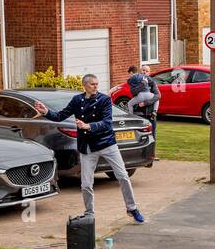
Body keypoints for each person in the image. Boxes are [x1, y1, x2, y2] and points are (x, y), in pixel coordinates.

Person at [33, 74, 143, 223]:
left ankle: (132, 208)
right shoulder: (77, 100)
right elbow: (60, 116)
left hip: (107, 144)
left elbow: (106, 123)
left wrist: (88, 126)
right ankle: (89, 213)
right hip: (88, 148)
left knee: (123, 176)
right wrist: (46, 111)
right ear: (84, 85)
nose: (96, 86)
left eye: (97, 84)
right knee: (86, 183)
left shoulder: (104, 100)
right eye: (92, 84)